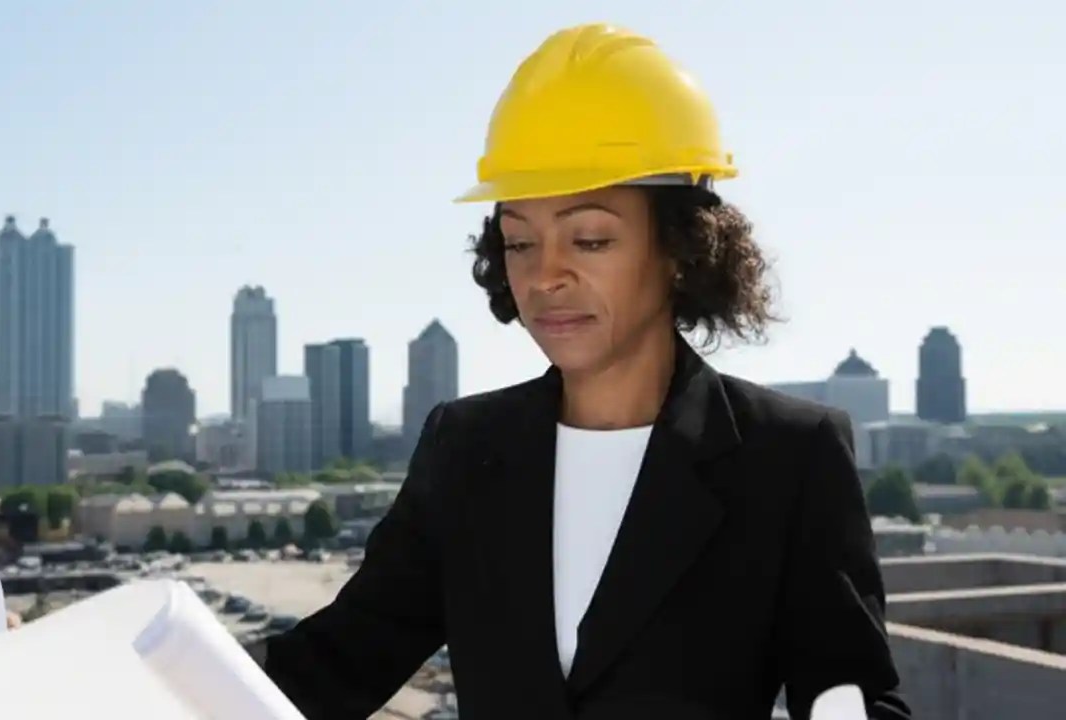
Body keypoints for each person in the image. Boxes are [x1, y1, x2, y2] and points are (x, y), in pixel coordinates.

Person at [259, 23, 911, 719]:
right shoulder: (464, 448)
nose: (545, 276)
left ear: (682, 245)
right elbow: (336, 664)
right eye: (518, 241)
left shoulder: (788, 456)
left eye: (591, 238)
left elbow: (853, 691)